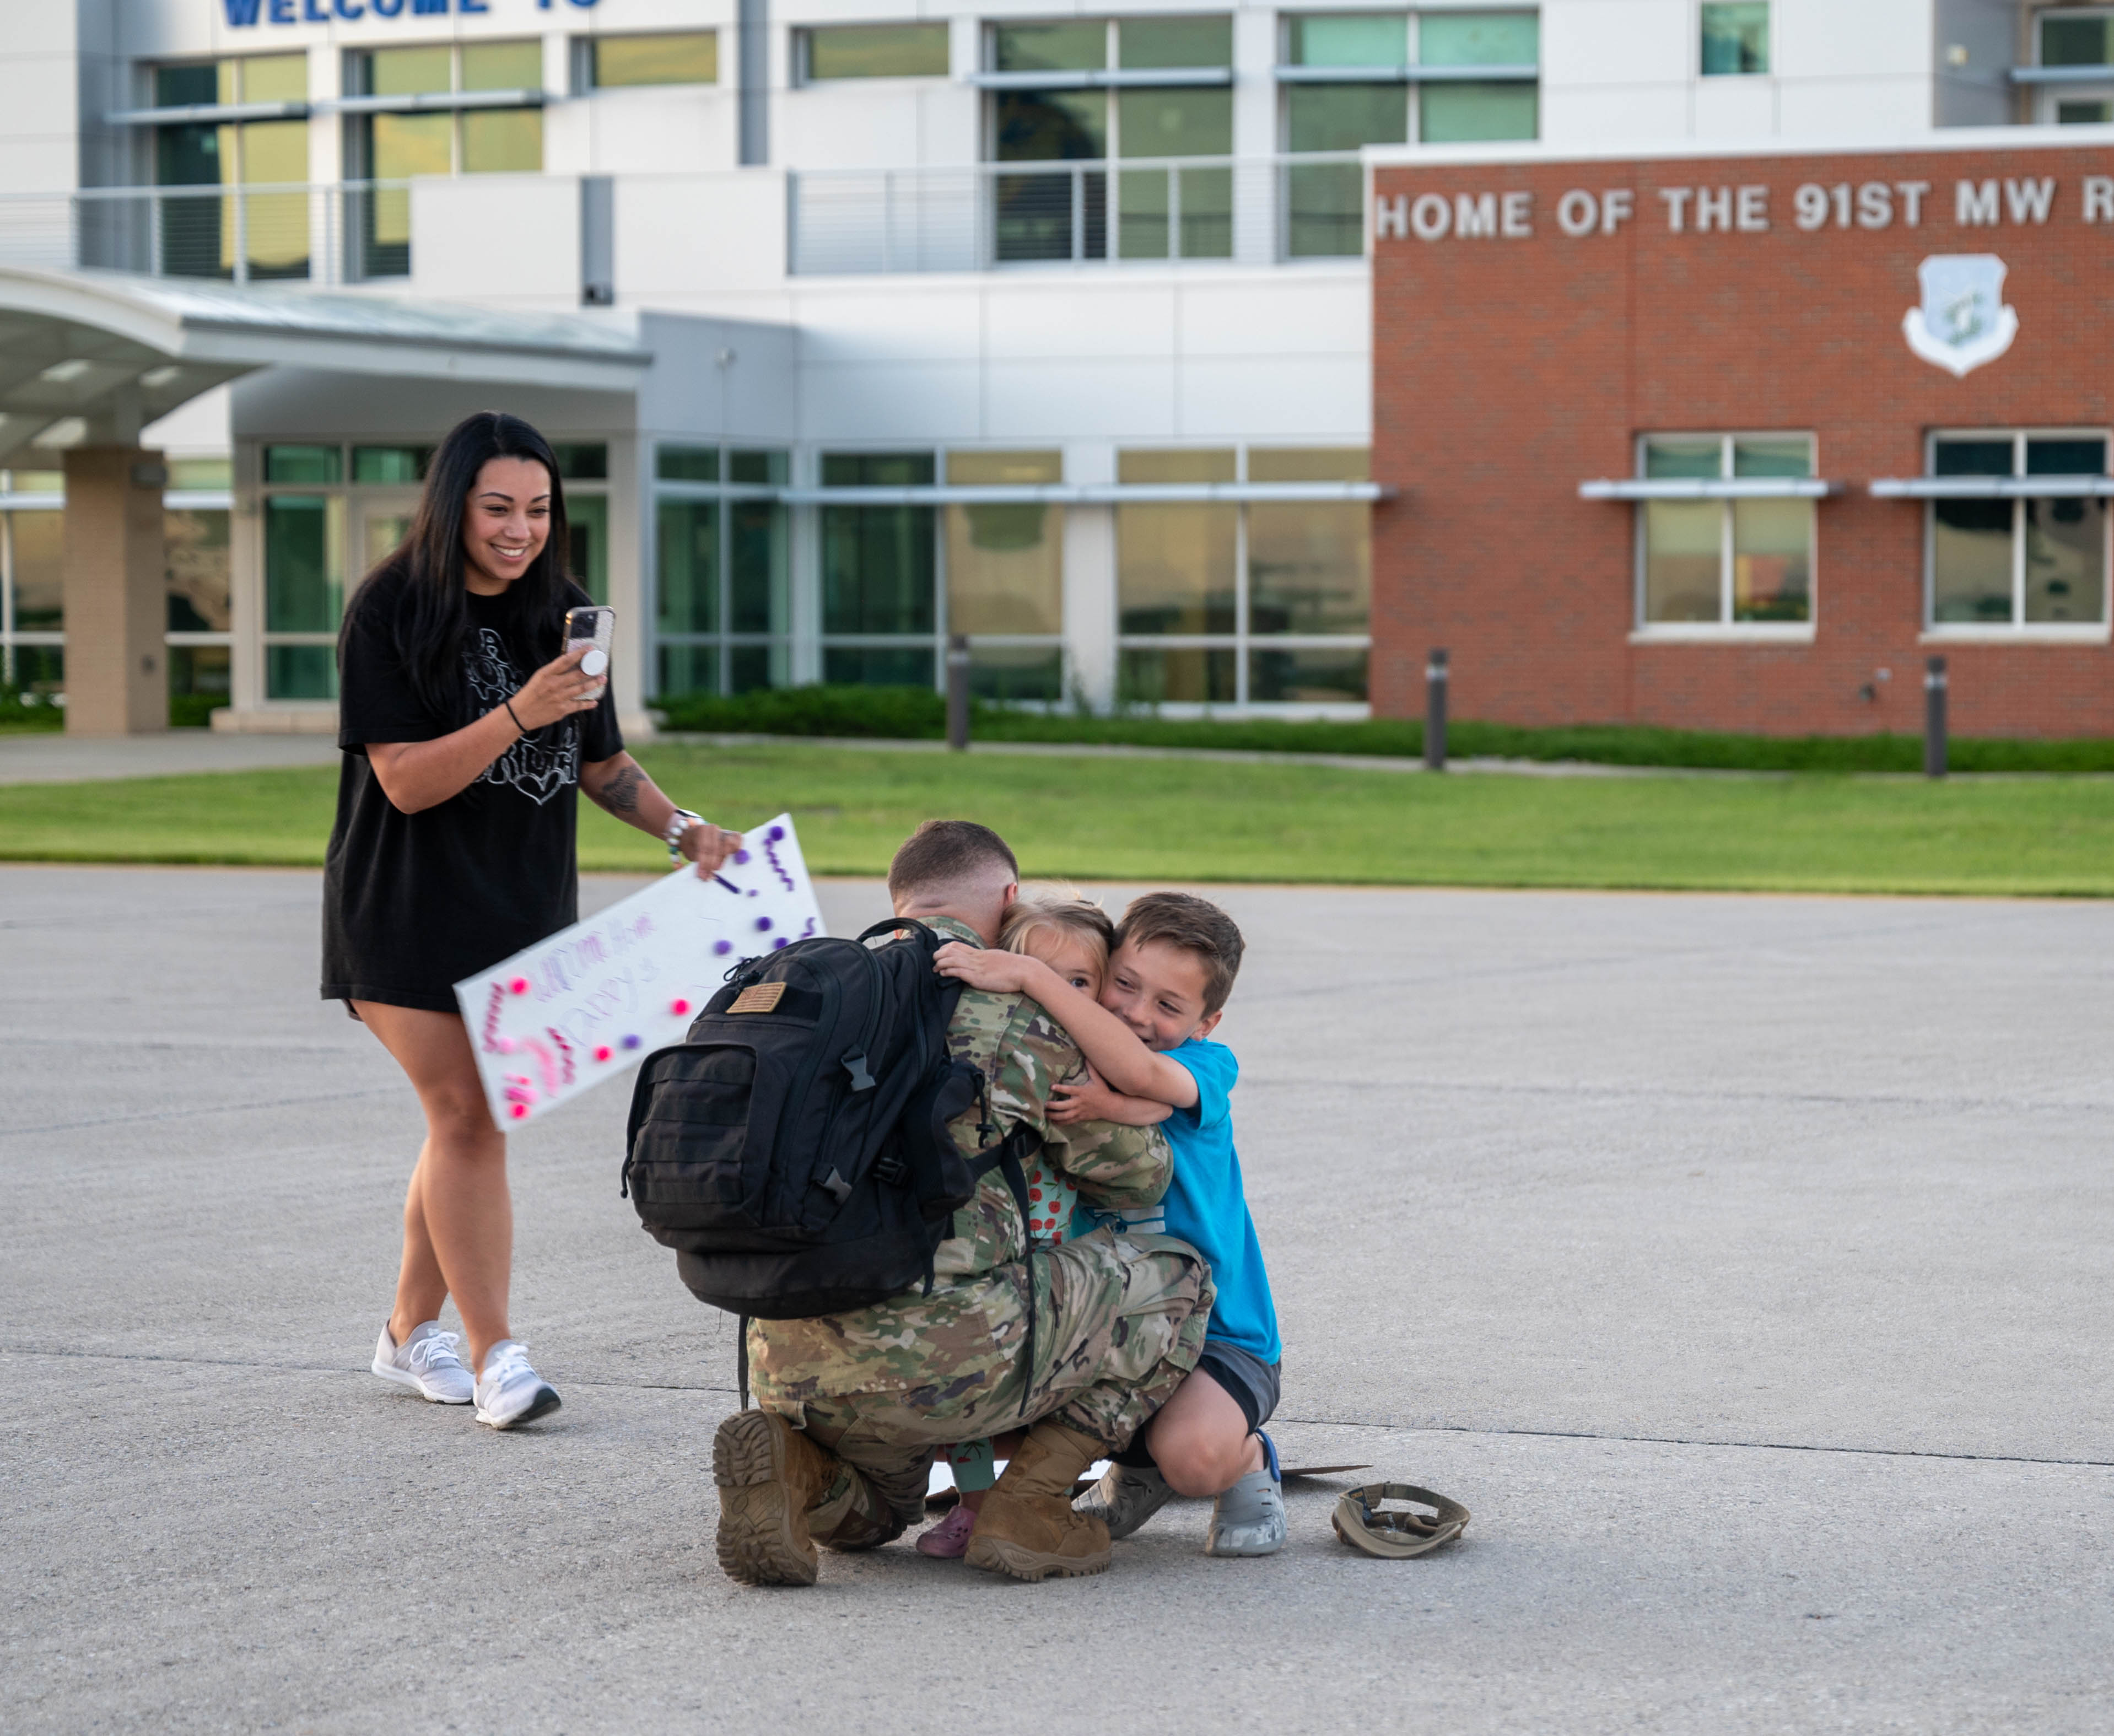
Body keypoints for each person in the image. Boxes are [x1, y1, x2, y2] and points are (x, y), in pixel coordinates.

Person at [324, 410, 740, 1431]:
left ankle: (404, 1332)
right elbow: (409, 783)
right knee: (466, 1115)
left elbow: (599, 766)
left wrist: (680, 826)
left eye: (540, 510)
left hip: (523, 916)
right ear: (453, 503)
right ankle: (495, 1354)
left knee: (461, 1124)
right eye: (498, 508)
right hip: (405, 911)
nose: (521, 530)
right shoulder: (390, 609)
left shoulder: (564, 610)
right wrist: (521, 709)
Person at [711, 821, 1214, 1586]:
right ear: (1009, 900)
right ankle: (1030, 1505)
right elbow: (1138, 1177)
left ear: (901, 896)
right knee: (1179, 1277)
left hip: (785, 1352)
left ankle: (790, 1464)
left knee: (880, 1512)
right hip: (945, 1359)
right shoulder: (1010, 1008)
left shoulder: (806, 989)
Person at [936, 891, 1286, 1556]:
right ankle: (1128, 1470)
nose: (1134, 1012)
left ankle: (1242, 1465)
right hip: (1100, 1326)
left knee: (1192, 1457)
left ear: (1207, 1021)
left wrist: (1030, 978)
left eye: (1168, 1005)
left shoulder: (1206, 1066)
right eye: (1122, 984)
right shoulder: (1061, 1057)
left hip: (1217, 1340)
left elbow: (1142, 1075)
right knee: (958, 1405)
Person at [916, 883, 1116, 1560]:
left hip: (1070, 1258)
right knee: (973, 1395)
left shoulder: (1098, 1062)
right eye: (1037, 974)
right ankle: (975, 1506)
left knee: (1071, 1382)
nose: (1054, 996)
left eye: (1079, 982)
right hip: (999, 1263)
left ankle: (1039, 1497)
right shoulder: (998, 1054)